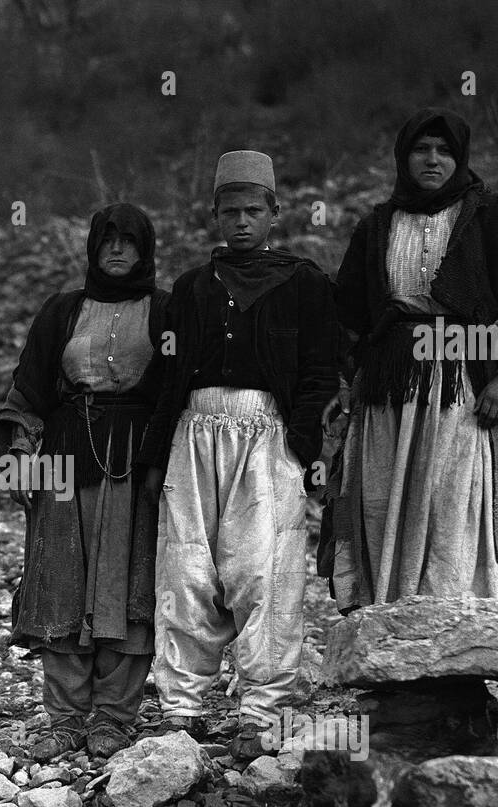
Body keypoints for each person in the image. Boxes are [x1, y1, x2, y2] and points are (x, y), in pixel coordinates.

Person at [141, 151, 339, 760]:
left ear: (275, 213)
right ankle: (182, 706)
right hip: (194, 434)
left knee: (263, 569)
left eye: (254, 211)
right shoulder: (192, 289)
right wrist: (156, 452)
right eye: (231, 212)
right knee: (186, 568)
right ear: (214, 217)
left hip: (268, 434)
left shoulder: (304, 284)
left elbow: (320, 372)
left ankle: (262, 707)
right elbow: (167, 374)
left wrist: (307, 449)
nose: (242, 222)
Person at [322, 108, 498, 610]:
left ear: (461, 157)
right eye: (421, 149)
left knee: (453, 503)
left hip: (462, 381)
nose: (432, 159)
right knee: (385, 506)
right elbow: (346, 317)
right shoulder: (377, 225)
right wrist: (341, 385)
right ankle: (386, 631)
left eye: (444, 150)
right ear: (403, 158)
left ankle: (459, 633)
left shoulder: (491, 214)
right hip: (386, 386)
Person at [0, 203, 169, 761]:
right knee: (60, 578)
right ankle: (66, 717)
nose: (117, 250)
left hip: (137, 460)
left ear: (145, 250)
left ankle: (115, 716)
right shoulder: (62, 311)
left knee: (128, 582)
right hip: (66, 454)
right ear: (93, 248)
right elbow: (30, 390)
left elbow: (178, 389)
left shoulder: (166, 313)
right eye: (107, 240)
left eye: (129, 241)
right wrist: (20, 453)